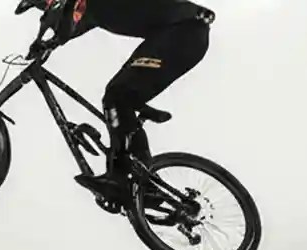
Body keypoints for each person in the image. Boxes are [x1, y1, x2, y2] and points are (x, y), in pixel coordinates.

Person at [30, 0, 216, 199]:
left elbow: (65, 19)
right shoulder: (94, 12)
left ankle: (116, 179)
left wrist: (44, 37)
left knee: (116, 96)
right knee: (121, 98)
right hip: (181, 37)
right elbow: (71, 27)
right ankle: (146, 184)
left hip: (182, 33)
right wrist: (50, 43)